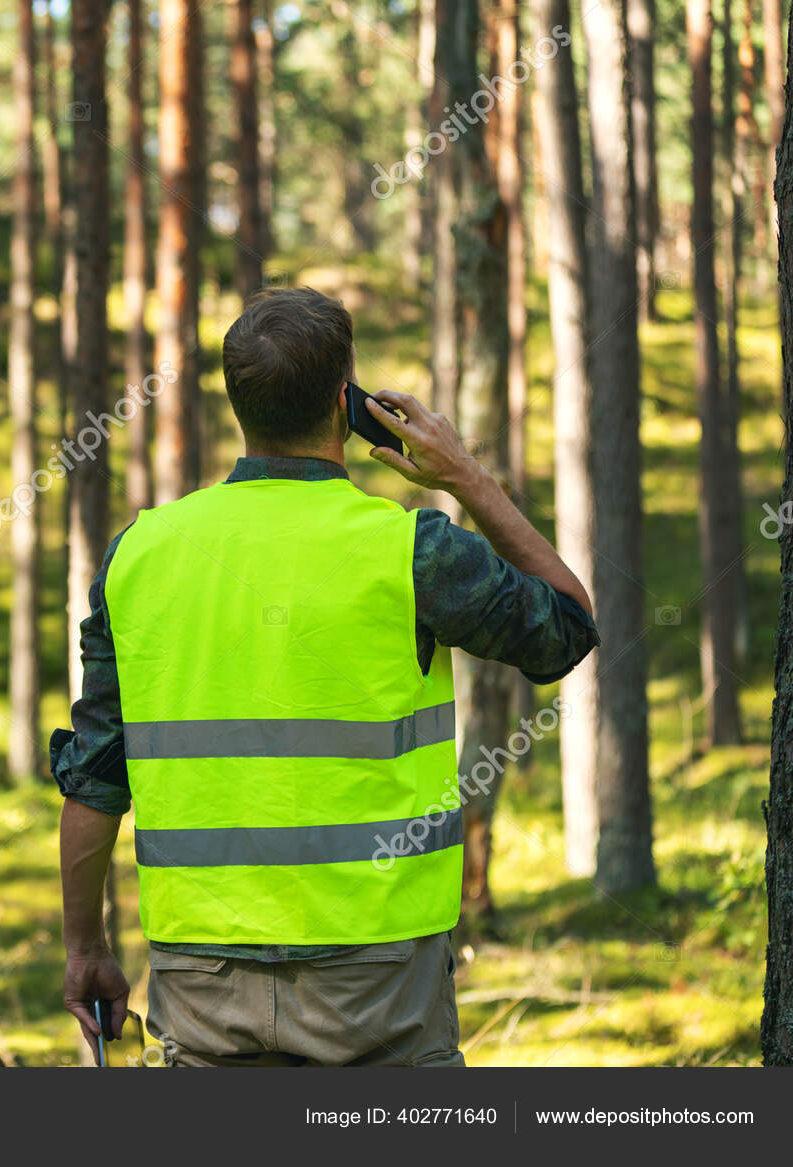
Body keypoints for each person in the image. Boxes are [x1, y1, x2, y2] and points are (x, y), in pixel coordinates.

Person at [52, 287, 599, 1067]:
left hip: (203, 974)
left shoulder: (140, 555)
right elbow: (568, 626)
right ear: (347, 403)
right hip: (378, 979)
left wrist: (85, 947)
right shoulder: (412, 550)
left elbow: (95, 780)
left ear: (239, 403)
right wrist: (468, 477)